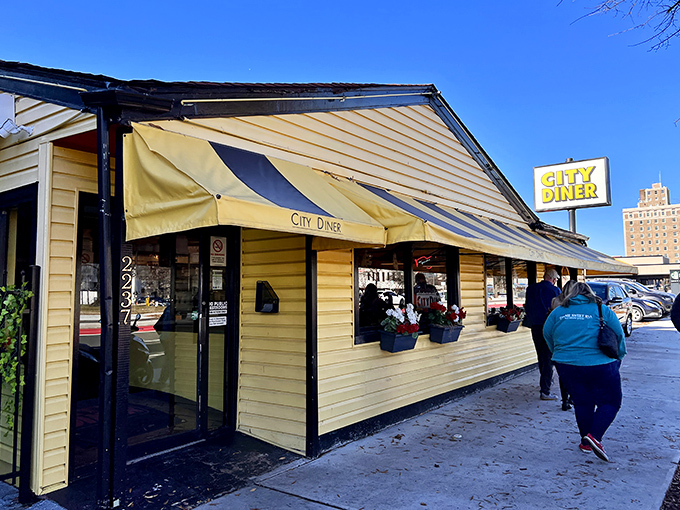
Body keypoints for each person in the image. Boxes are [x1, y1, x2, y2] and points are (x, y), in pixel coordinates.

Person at [543, 280, 627, 462]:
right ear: (589, 293)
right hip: (601, 363)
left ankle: (586, 443)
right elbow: (619, 336)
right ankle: (595, 436)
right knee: (611, 402)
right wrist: (619, 357)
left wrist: (559, 353)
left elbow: (547, 334)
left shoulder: (558, 312)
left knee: (582, 403)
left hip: (567, 365)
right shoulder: (602, 310)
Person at [523, 268, 563, 403]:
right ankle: (545, 390)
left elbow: (527, 307)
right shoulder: (555, 291)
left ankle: (545, 382)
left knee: (541, 356)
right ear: (553, 279)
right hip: (549, 327)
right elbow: (559, 310)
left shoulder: (531, 289)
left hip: (535, 326)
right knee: (548, 358)